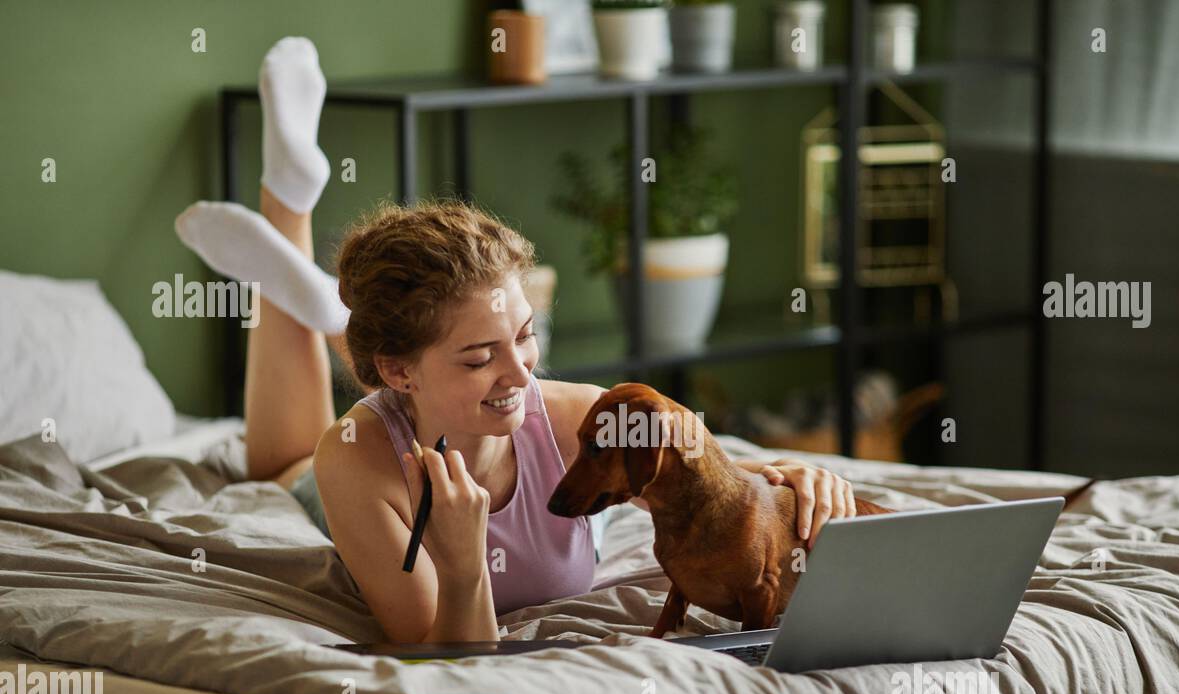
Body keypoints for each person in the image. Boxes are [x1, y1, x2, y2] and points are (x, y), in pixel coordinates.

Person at [175, 37, 858, 644]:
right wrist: (466, 559)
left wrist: (794, 480)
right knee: (281, 465)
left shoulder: (574, 418)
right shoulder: (355, 463)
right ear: (396, 372)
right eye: (479, 357)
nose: (520, 373)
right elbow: (443, 647)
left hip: (397, 367)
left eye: (525, 337)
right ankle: (288, 210)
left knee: (404, 370)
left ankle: (312, 270)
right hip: (346, 462)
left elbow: (709, 479)